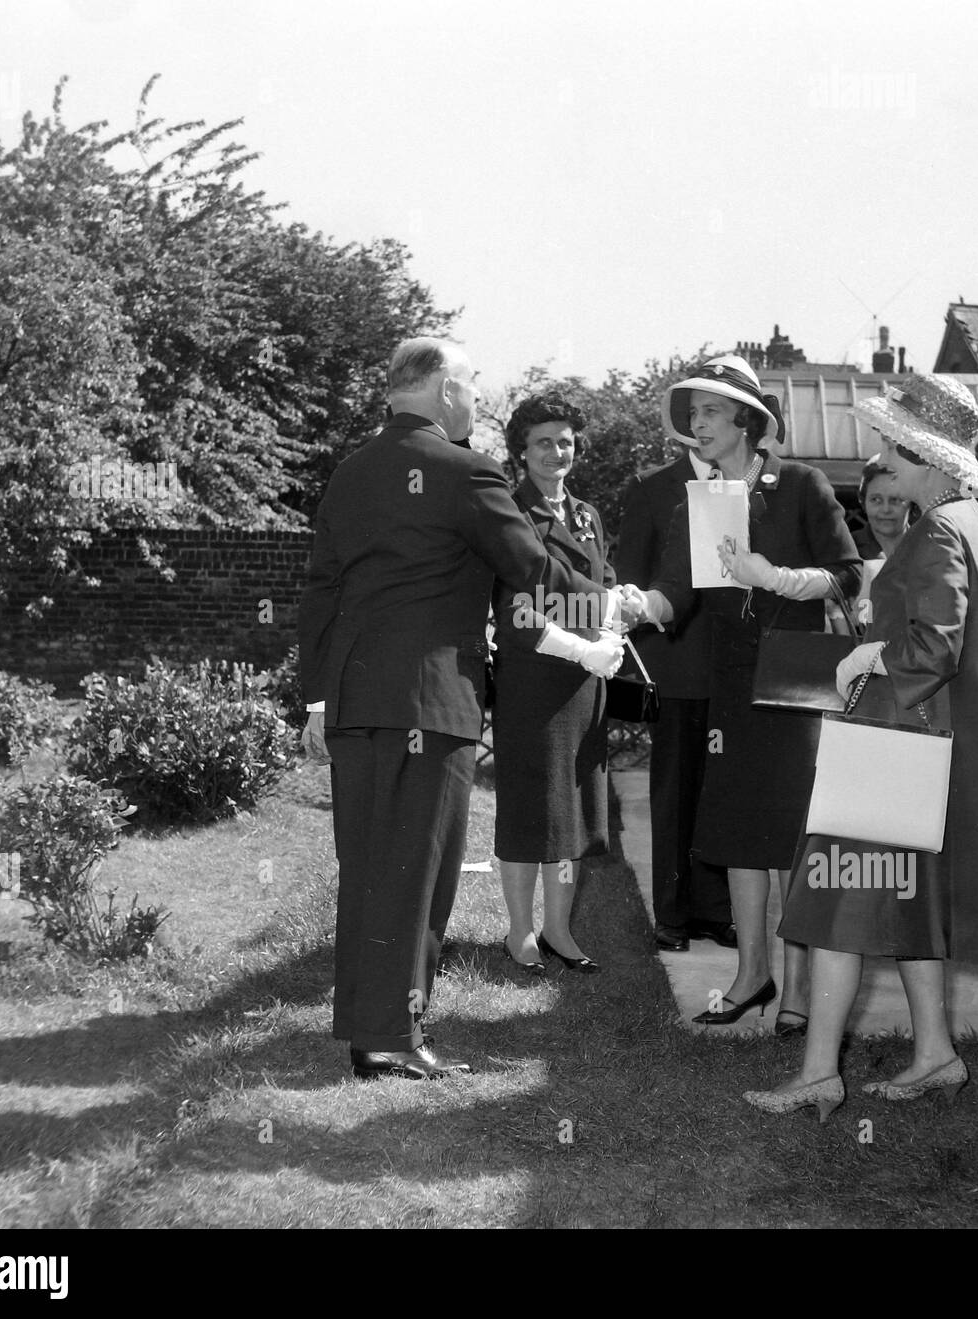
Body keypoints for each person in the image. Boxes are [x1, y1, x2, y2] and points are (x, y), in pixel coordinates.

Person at [298, 338, 628, 1082]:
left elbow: (319, 591)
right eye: (474, 386)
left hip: (355, 702)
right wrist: (611, 604)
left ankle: (365, 1022)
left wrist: (317, 699)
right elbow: (533, 569)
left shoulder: (348, 474)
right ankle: (393, 1034)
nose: (479, 401)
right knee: (420, 871)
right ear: (445, 391)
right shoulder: (467, 469)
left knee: (370, 866)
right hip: (432, 701)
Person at [749, 373, 978, 1121]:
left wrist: (866, 658)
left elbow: (934, 646)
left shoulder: (938, 529)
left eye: (892, 442)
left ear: (924, 453)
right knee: (909, 905)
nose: (881, 453)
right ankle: (935, 1052)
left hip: (891, 744)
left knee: (834, 902)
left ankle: (818, 1073)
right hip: (920, 746)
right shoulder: (967, 520)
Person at [625, 355, 861, 1035]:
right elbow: (674, 595)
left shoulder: (804, 486)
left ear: (747, 422)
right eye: (693, 413)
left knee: (792, 837)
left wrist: (777, 577)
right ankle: (752, 976)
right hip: (730, 681)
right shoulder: (698, 503)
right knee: (737, 834)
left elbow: (847, 575)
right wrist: (626, 606)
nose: (697, 425)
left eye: (711, 412)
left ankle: (800, 992)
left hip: (798, 679)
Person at [492, 393, 617, 974]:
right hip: (534, 679)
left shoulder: (588, 515)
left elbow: (608, 586)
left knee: (570, 813)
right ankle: (519, 932)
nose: (556, 451)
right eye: (543, 441)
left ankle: (559, 931)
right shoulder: (509, 510)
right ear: (521, 451)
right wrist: (581, 648)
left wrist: (610, 639)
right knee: (529, 810)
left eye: (565, 440)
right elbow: (518, 604)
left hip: (586, 684)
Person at [616, 432, 734, 954]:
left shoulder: (752, 481)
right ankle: (672, 914)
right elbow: (632, 581)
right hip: (677, 667)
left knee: (723, 793)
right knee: (674, 793)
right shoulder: (651, 488)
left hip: (737, 670)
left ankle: (715, 911)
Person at [844, 455, 912, 632]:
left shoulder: (930, 548)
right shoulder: (848, 550)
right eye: (876, 500)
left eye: (896, 500)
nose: (886, 509)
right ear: (863, 502)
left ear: (911, 503)